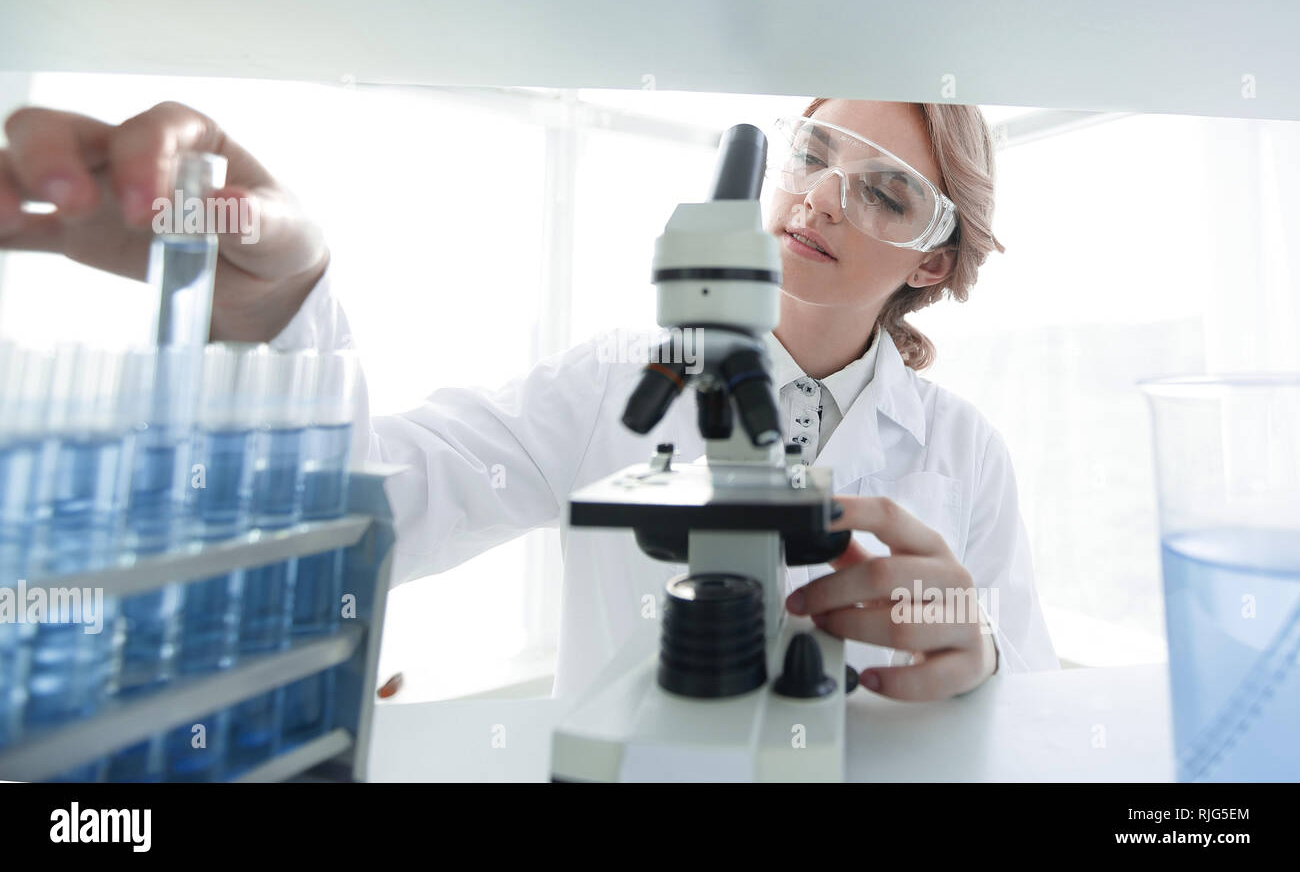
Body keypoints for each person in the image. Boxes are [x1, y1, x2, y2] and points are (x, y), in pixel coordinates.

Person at [0, 95, 1058, 702]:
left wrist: (984, 662)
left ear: (932, 260)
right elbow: (369, 503)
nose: (822, 195)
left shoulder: (964, 453)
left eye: (884, 191)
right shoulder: (615, 378)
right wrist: (278, 307)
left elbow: (1041, 702)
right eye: (813, 154)